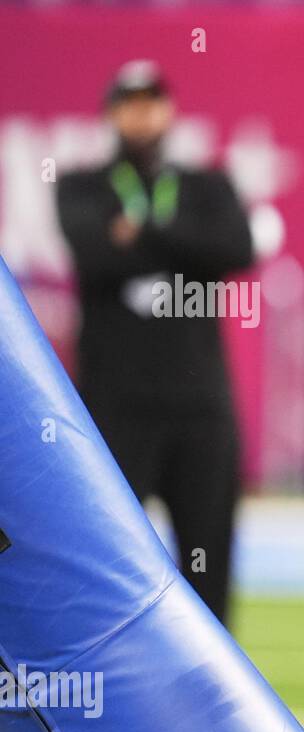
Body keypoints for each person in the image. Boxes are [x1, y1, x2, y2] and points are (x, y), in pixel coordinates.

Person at [57, 60, 253, 626]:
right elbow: (90, 252)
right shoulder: (82, 186)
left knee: (209, 563)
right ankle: (115, 697)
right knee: (103, 561)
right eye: (130, 102)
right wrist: (187, 249)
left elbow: (236, 247)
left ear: (169, 110)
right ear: (112, 113)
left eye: (152, 101)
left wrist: (142, 231)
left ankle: (210, 699)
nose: (142, 114)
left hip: (201, 411)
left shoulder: (206, 185)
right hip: (117, 409)